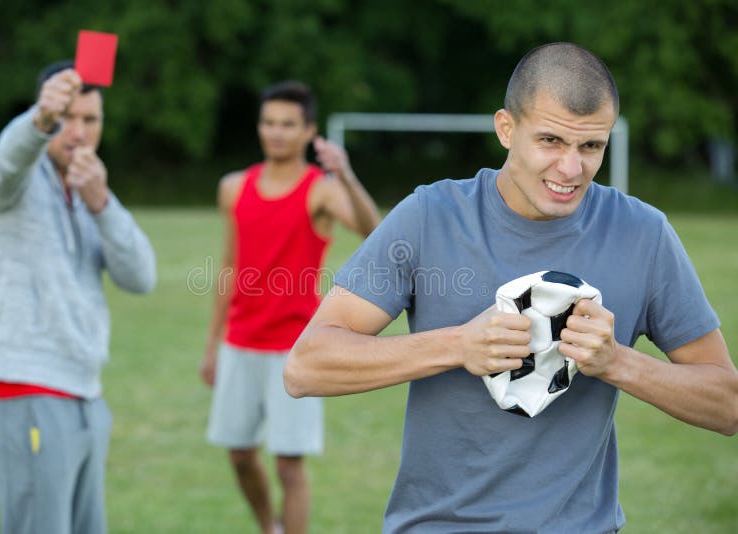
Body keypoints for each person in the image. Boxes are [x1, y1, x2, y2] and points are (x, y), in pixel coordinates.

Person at [284, 42, 738, 533]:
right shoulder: (429, 217)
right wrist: (458, 344)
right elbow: (307, 367)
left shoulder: (643, 235)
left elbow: (727, 404)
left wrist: (618, 362)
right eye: (551, 141)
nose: (571, 168)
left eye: (591, 146)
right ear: (506, 128)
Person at [0, 60, 156, 534]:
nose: (77, 132)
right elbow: (8, 161)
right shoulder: (10, 182)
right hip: (28, 388)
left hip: (87, 394)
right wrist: (38, 122)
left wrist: (103, 204)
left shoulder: (85, 189)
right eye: (65, 117)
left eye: (90, 119)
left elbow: (141, 276)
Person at [199, 80, 380, 534]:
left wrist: (347, 176)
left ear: (308, 132)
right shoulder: (233, 188)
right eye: (269, 123)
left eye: (288, 125)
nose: (276, 132)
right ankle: (269, 527)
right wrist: (211, 345)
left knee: (289, 468)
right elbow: (229, 265)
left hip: (293, 347)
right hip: (239, 342)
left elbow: (374, 233)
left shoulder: (320, 190)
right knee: (240, 454)